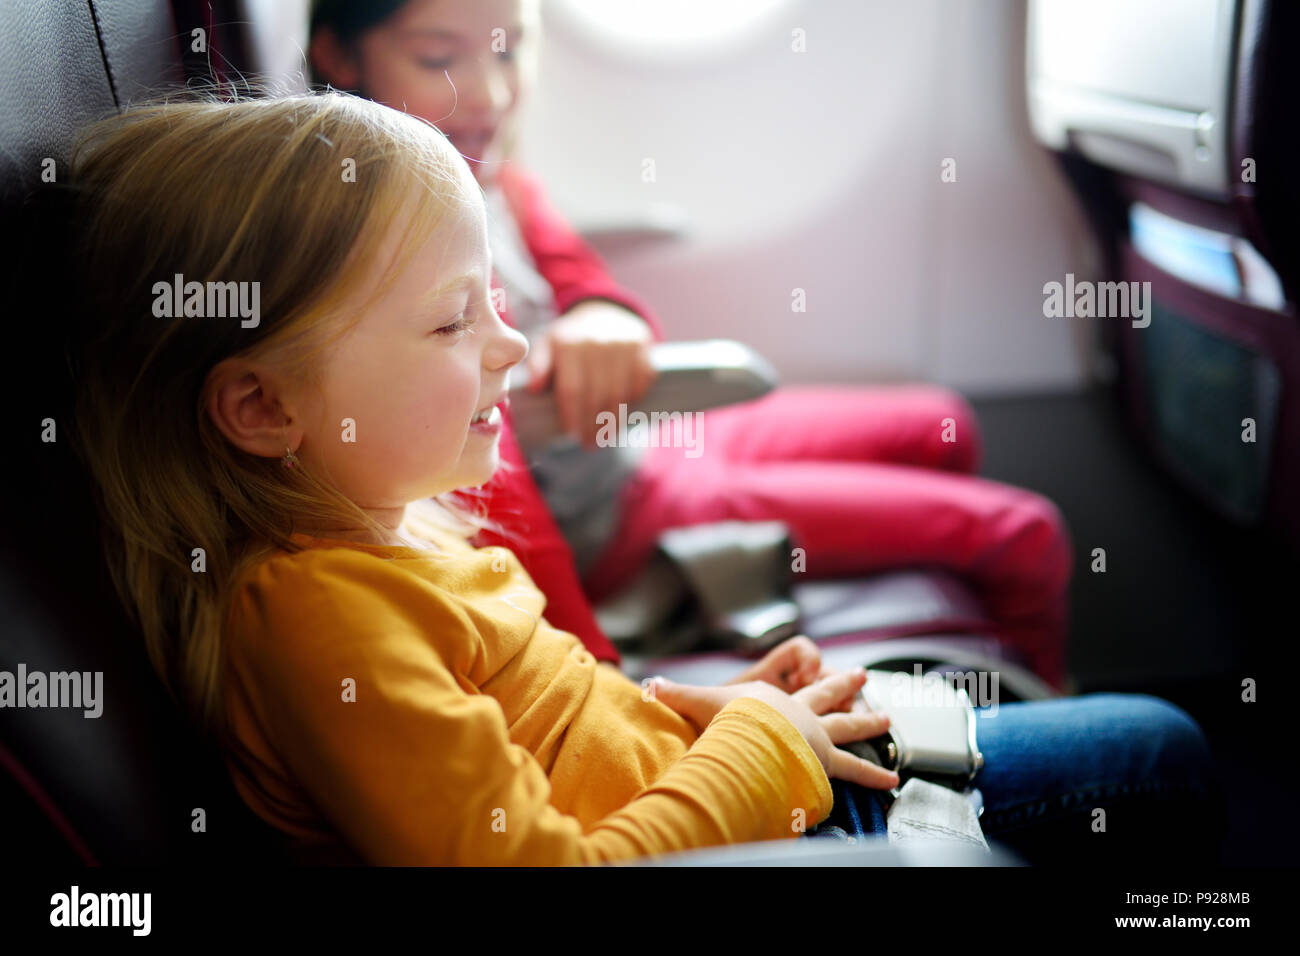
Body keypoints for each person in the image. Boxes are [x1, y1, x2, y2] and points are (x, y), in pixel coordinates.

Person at [63, 91, 1221, 866]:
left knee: (1140, 743)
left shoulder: (387, 535)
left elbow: (562, 725)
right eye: (452, 322)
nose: (512, 350)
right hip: (741, 836)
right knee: (1158, 751)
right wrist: (755, 748)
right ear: (265, 407)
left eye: (498, 306)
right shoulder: (320, 620)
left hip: (733, 783)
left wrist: (721, 706)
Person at [307, 0, 1074, 690]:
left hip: (642, 439)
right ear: (340, 57)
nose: (489, 93)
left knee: (941, 422)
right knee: (1023, 534)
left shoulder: (493, 176)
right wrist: (597, 672)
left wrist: (606, 315)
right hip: (614, 506)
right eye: (439, 58)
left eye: (508, 51)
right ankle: (1037, 739)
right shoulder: (391, 239)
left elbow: (576, 270)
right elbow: (488, 478)